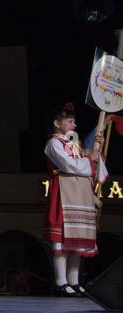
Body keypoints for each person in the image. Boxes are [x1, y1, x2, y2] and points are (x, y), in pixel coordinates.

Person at [43, 102, 107, 297]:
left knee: (76, 240)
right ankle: (61, 282)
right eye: (70, 121)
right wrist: (90, 159)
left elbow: (90, 164)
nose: (74, 125)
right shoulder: (54, 143)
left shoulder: (74, 144)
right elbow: (68, 165)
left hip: (79, 192)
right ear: (57, 123)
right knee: (63, 239)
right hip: (65, 191)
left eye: (74, 121)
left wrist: (97, 149)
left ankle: (74, 281)